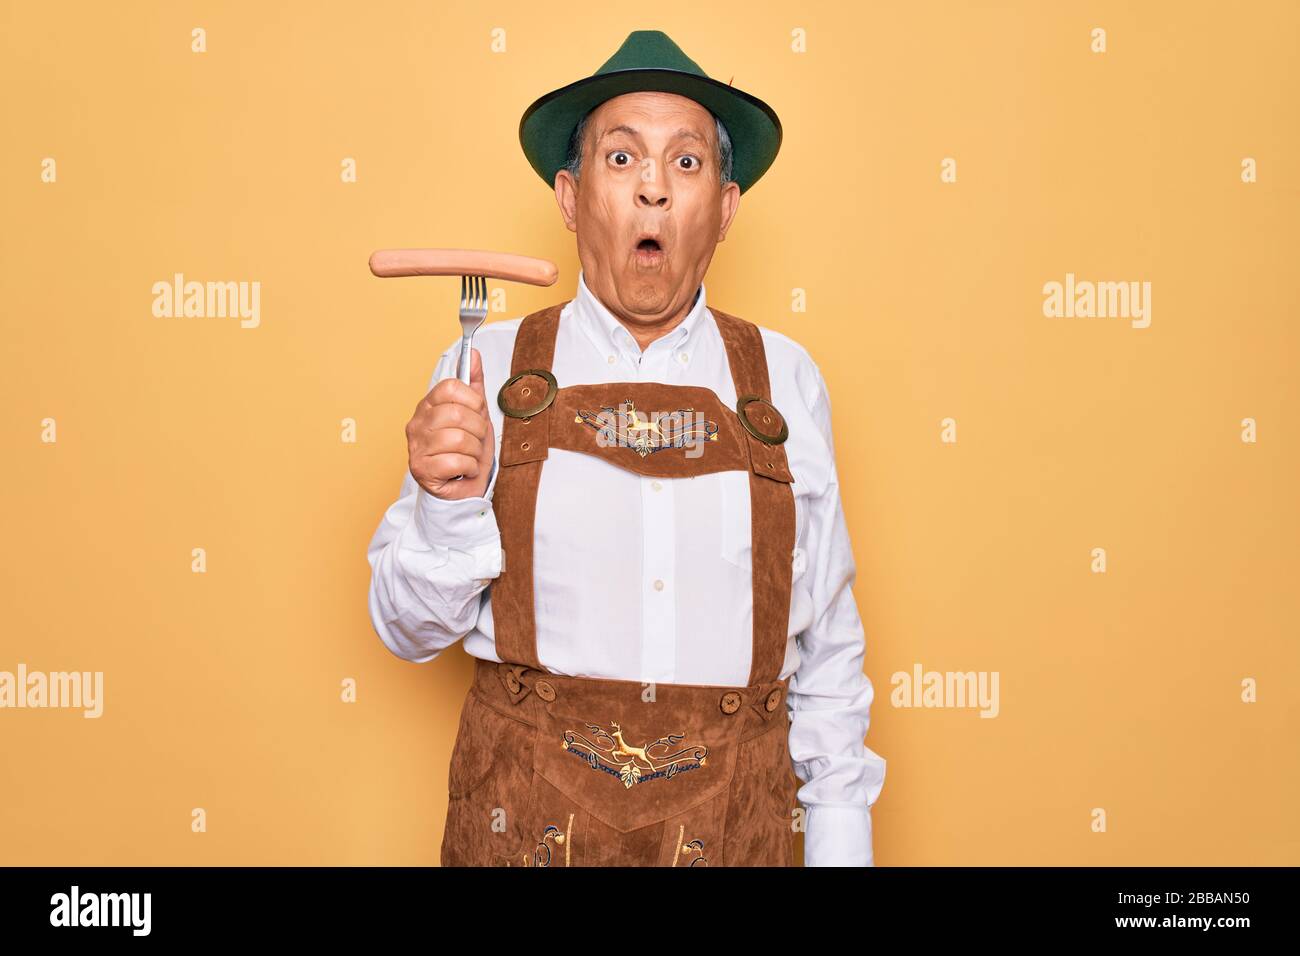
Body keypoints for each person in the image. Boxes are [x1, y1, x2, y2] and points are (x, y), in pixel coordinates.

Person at [366, 29, 885, 866]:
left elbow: (828, 650)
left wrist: (841, 847)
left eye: (686, 164)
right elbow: (405, 631)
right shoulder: (484, 370)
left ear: (724, 206)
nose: (653, 190)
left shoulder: (785, 381)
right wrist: (445, 506)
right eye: (621, 159)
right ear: (570, 199)